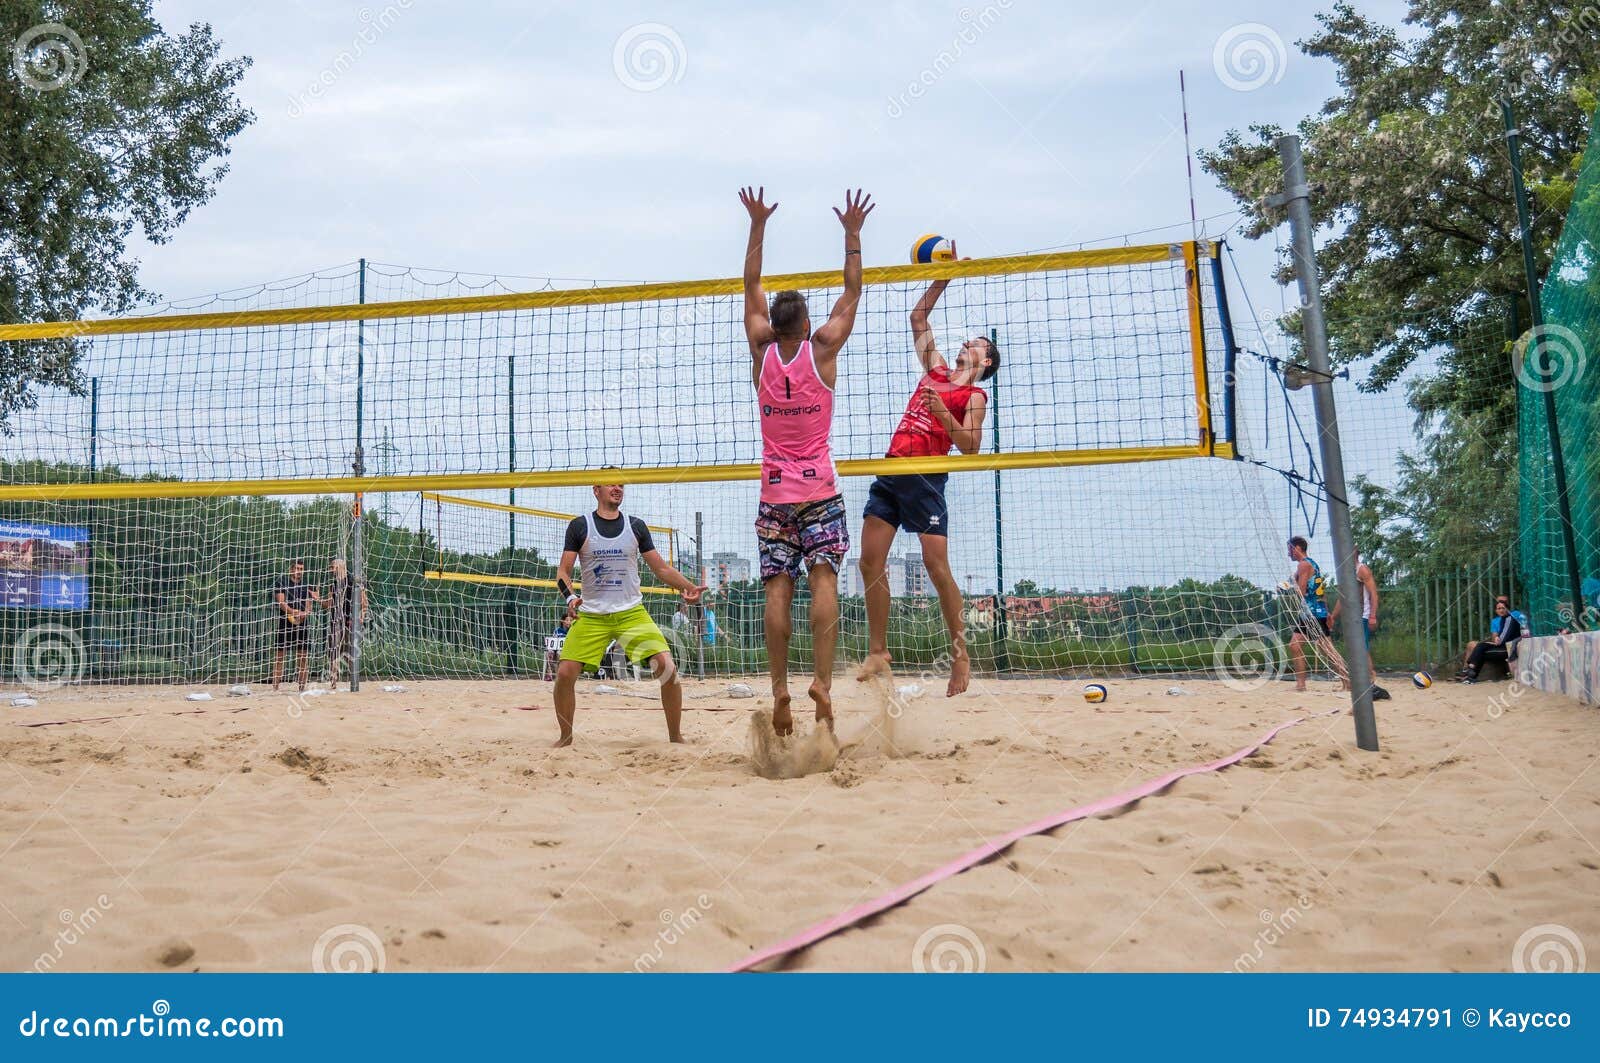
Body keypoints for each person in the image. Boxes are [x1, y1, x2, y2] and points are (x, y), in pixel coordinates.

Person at [739, 185, 873, 735]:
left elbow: (749, 283)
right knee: (824, 583)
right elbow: (853, 292)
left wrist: (758, 224)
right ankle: (821, 680)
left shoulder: (760, 348)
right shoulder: (824, 350)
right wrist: (852, 234)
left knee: (777, 591)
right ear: (806, 323)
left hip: (775, 494)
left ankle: (779, 690)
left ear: (774, 323)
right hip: (819, 490)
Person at [857, 243, 997, 696]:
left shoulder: (973, 396)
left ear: (986, 361)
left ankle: (960, 655)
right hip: (893, 470)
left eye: (974, 343)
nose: (965, 343)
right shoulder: (934, 371)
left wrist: (942, 416)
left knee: (937, 568)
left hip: (926, 479)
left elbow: (972, 448)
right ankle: (878, 650)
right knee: (868, 561)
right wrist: (946, 276)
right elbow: (919, 319)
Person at [552, 480, 704, 746]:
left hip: (631, 612)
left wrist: (689, 587)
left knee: (667, 669)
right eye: (610, 484)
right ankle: (565, 737)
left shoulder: (635, 526)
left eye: (621, 484)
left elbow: (661, 568)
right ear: (595, 490)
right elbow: (562, 572)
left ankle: (675, 737)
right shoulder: (579, 525)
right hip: (592, 615)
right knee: (565, 674)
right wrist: (571, 598)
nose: (617, 488)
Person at [1285, 536, 1350, 693]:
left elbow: (1301, 591)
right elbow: (1320, 590)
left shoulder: (1304, 565)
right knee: (1295, 646)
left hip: (1312, 613)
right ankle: (1301, 685)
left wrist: (1286, 590)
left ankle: (1348, 681)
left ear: (1298, 548)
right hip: (1313, 612)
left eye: (1290, 550)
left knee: (1326, 650)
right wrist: (1327, 611)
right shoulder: (1311, 563)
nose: (1289, 554)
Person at [1328, 549, 1390, 700]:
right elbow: (1342, 598)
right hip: (1351, 618)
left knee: (1362, 649)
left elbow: (1374, 594)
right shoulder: (1345, 572)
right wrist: (1333, 616)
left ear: (1353, 554)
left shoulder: (1362, 569)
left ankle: (1371, 683)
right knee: (1358, 649)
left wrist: (1373, 616)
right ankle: (1367, 683)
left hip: (1362, 615)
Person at [320, 557, 369, 691]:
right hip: (336, 621)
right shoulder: (334, 584)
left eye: (332, 567)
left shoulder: (353, 581)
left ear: (340, 567)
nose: (331, 570)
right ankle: (333, 681)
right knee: (333, 652)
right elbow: (329, 604)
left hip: (350, 622)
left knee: (349, 653)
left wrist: (361, 616)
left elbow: (364, 602)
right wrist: (317, 599)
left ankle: (354, 680)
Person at [271, 559, 314, 691]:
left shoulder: (307, 585)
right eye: (297, 568)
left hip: (302, 623)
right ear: (291, 569)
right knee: (280, 655)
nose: (299, 571)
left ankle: (302, 687)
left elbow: (309, 605)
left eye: (301, 569)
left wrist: (304, 614)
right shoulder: (281, 582)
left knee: (302, 656)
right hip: (285, 622)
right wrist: (293, 612)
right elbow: (281, 603)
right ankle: (275, 687)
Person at [1459, 597, 1524, 683]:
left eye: (1503, 608)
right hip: (1502, 645)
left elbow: (1507, 635)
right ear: (1496, 611)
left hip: (1508, 648)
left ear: (1507, 608)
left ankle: (1470, 672)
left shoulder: (1512, 616)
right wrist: (1496, 639)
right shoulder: (1500, 620)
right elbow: (1497, 636)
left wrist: (1498, 641)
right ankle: (1470, 674)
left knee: (1481, 650)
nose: (1501, 610)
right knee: (1481, 646)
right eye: (1499, 608)